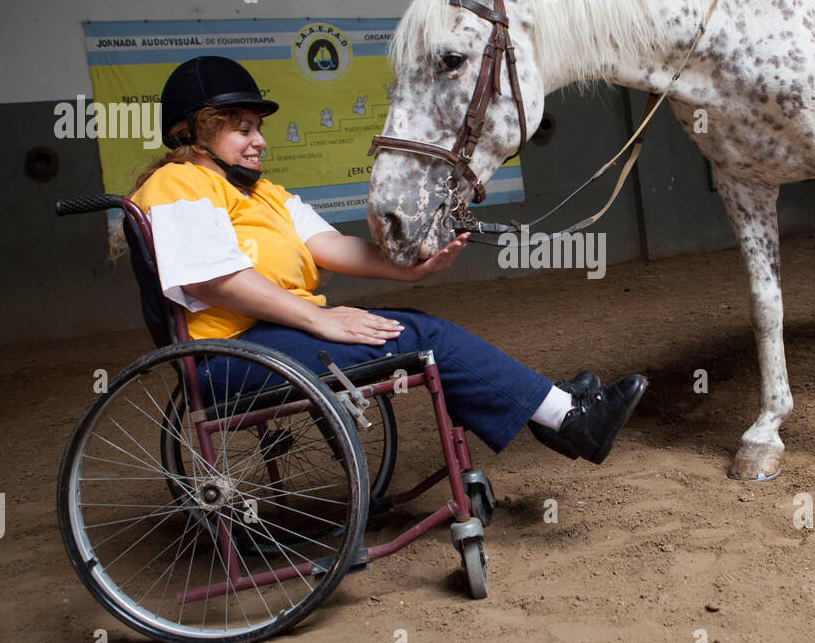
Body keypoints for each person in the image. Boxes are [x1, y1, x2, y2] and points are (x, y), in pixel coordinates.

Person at [130, 55, 646, 463]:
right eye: (243, 129)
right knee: (423, 337)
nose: (260, 140)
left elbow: (329, 245)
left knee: (415, 328)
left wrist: (408, 266)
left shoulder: (262, 193)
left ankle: (548, 412)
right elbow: (219, 281)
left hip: (270, 339)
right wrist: (318, 317)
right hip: (230, 358)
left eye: (256, 127)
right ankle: (566, 417)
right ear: (193, 133)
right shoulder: (178, 184)